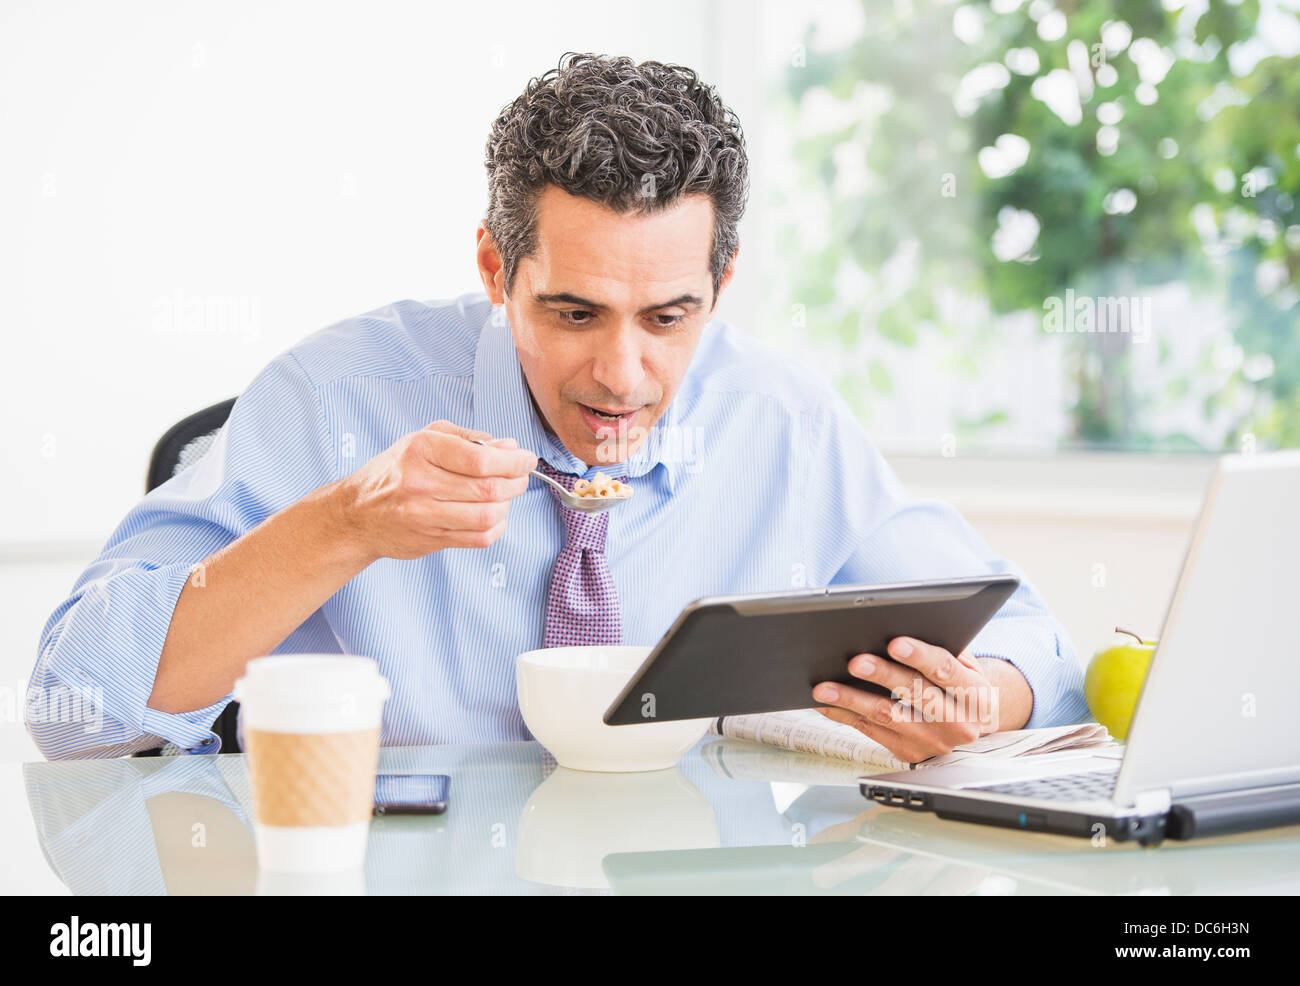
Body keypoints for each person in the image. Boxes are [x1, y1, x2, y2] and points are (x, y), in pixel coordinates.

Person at [28, 52, 1087, 761]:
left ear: (722, 284)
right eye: (574, 312)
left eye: (668, 317)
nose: (620, 375)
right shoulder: (334, 398)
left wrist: (976, 698)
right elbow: (71, 701)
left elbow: (1032, 639)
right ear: (496, 268)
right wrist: (342, 523)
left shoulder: (784, 426)